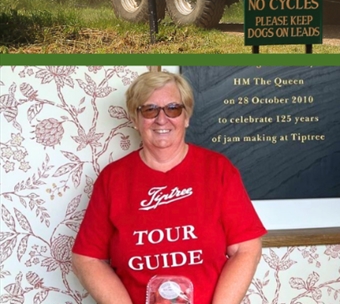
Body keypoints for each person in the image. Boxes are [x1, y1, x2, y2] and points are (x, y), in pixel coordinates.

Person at [72, 71, 265, 304]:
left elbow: (246, 249)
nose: (161, 119)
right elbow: (87, 258)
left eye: (173, 108)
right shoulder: (113, 178)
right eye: (149, 110)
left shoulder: (218, 170)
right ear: (135, 119)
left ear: (186, 117)